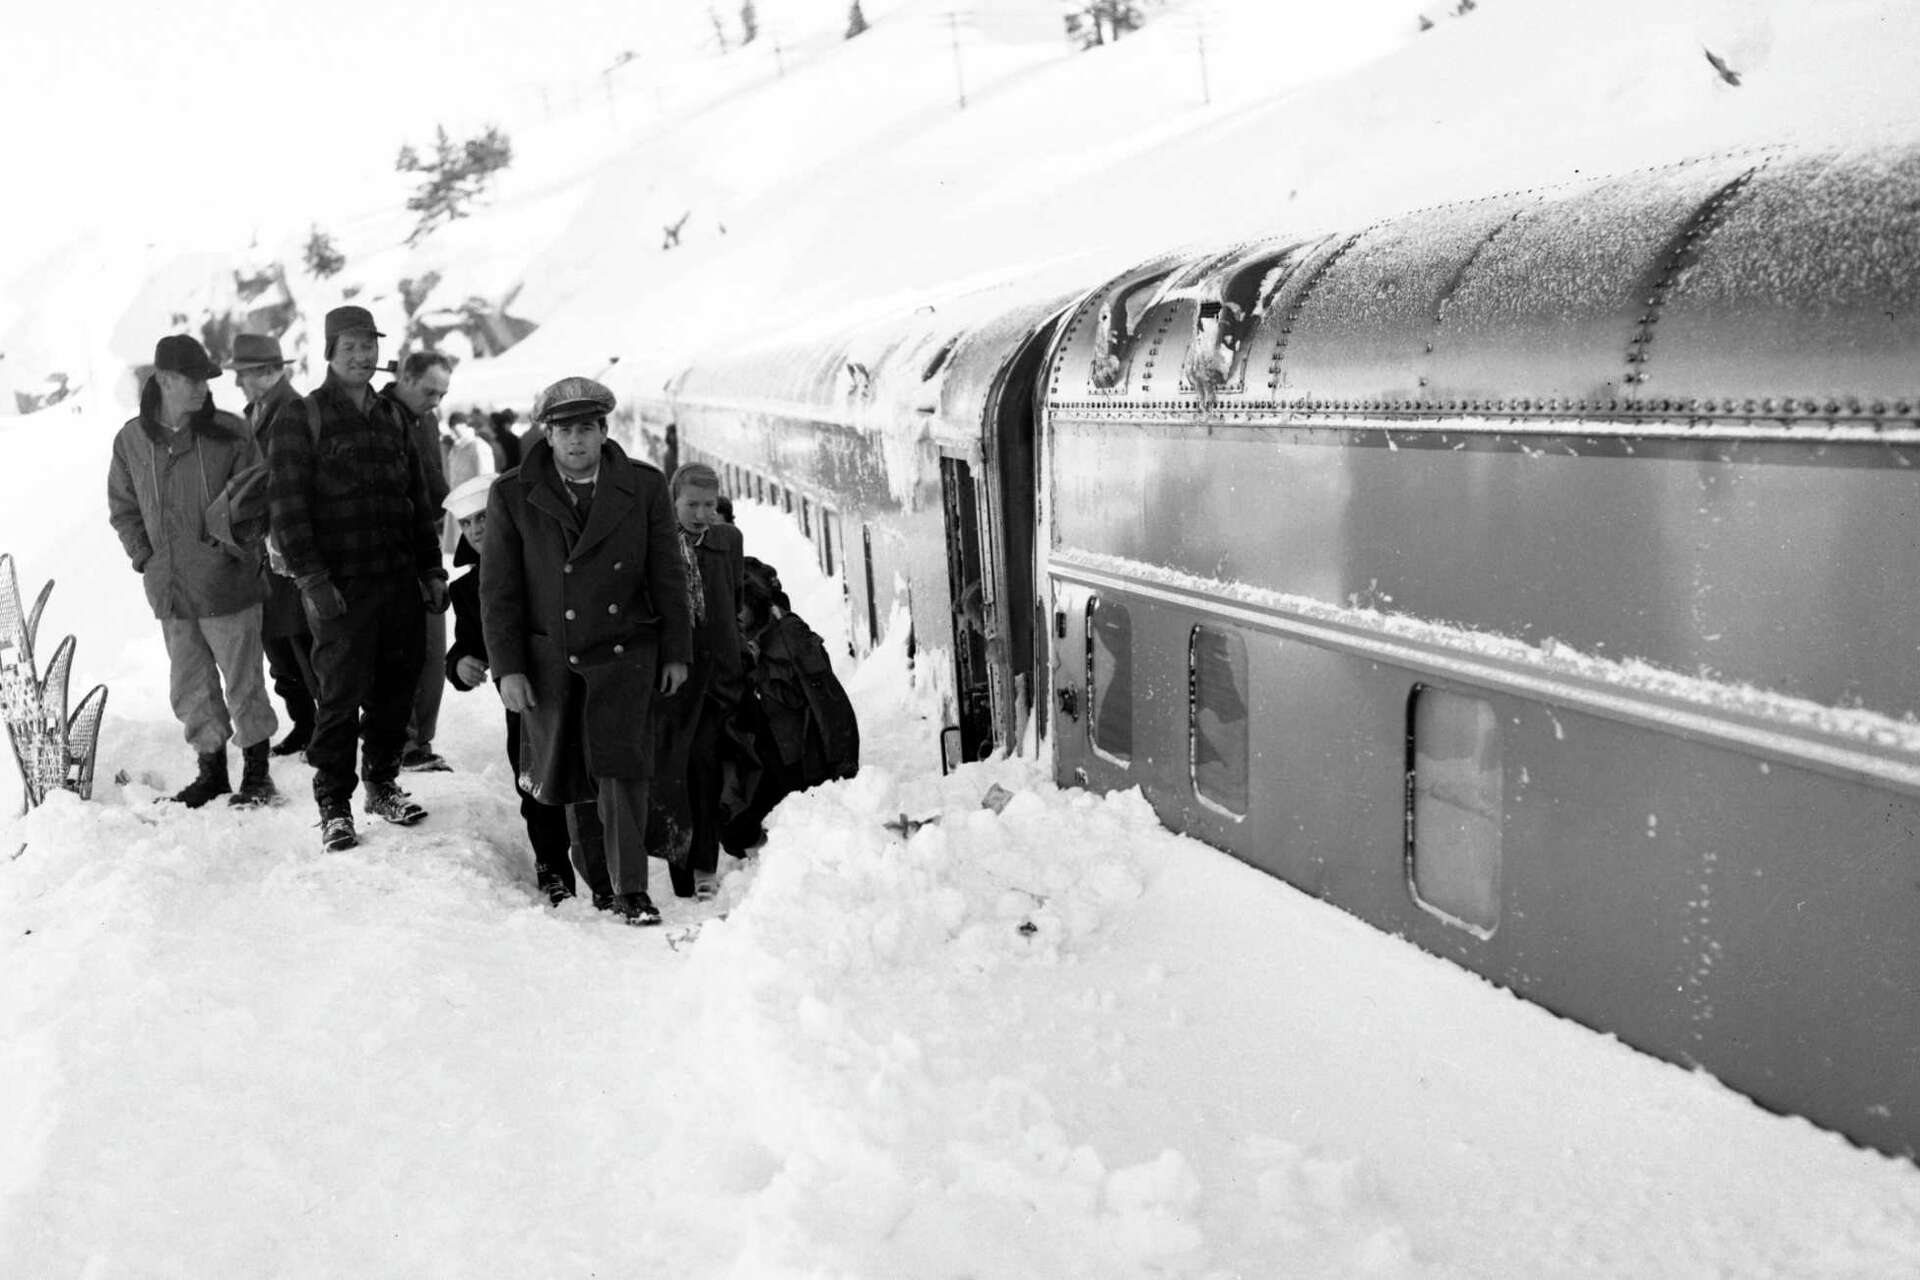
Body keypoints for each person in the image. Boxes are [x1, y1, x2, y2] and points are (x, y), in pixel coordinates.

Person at [479, 376, 691, 926]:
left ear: (604, 431)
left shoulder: (642, 487)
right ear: (547, 435)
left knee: (622, 770)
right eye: (565, 430)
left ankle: (631, 890)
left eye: (587, 429)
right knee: (572, 775)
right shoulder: (511, 493)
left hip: (625, 652)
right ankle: (599, 882)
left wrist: (676, 652)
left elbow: (669, 575)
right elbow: (499, 590)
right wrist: (508, 668)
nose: (577, 441)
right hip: (554, 656)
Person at [268, 306, 446, 852]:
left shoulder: (392, 416)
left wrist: (431, 567)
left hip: (397, 582)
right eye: (349, 346)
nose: (361, 355)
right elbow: (288, 507)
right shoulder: (303, 416)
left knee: (397, 689)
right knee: (340, 698)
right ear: (329, 352)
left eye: (369, 345)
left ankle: (382, 783)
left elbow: (417, 502)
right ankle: (333, 804)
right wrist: (313, 580)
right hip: (340, 588)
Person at [107, 334, 279, 808]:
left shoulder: (230, 433)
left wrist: (233, 551)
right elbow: (124, 509)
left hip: (227, 583)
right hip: (170, 588)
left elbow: (257, 501)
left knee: (244, 681)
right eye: (193, 379)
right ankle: (212, 772)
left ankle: (258, 772)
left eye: (207, 379)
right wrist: (145, 557)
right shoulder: (131, 441)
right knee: (191, 685)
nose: (204, 388)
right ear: (163, 379)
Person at [442, 473, 576, 905]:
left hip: (571, 684)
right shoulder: (466, 589)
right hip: (523, 700)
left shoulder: (546, 563)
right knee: (535, 787)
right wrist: (460, 662)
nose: (477, 529)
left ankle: (610, 871)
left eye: (484, 517)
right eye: (467, 524)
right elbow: (468, 641)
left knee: (588, 778)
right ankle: (553, 870)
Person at [649, 463, 746, 900]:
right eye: (692, 504)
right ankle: (680, 869)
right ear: (674, 502)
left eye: (710, 505)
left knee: (705, 768)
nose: (702, 513)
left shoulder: (729, 542)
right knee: (675, 771)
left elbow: (734, 598)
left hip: (718, 676)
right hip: (674, 678)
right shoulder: (657, 544)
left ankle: (703, 865)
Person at [226, 332, 316, 758]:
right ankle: (307, 723)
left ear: (265, 373)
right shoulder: (258, 410)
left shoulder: (292, 409)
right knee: (279, 643)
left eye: (242, 375)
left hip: (288, 544)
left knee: (301, 641)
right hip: (264, 550)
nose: (238, 384)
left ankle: (322, 726)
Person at [380, 350, 457, 774]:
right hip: (393, 551)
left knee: (431, 650)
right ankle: (403, 743)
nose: (436, 401)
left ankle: (418, 740)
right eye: (430, 391)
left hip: (425, 545)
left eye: (442, 394)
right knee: (402, 652)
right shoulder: (376, 415)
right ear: (405, 378)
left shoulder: (424, 418)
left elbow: (431, 480)